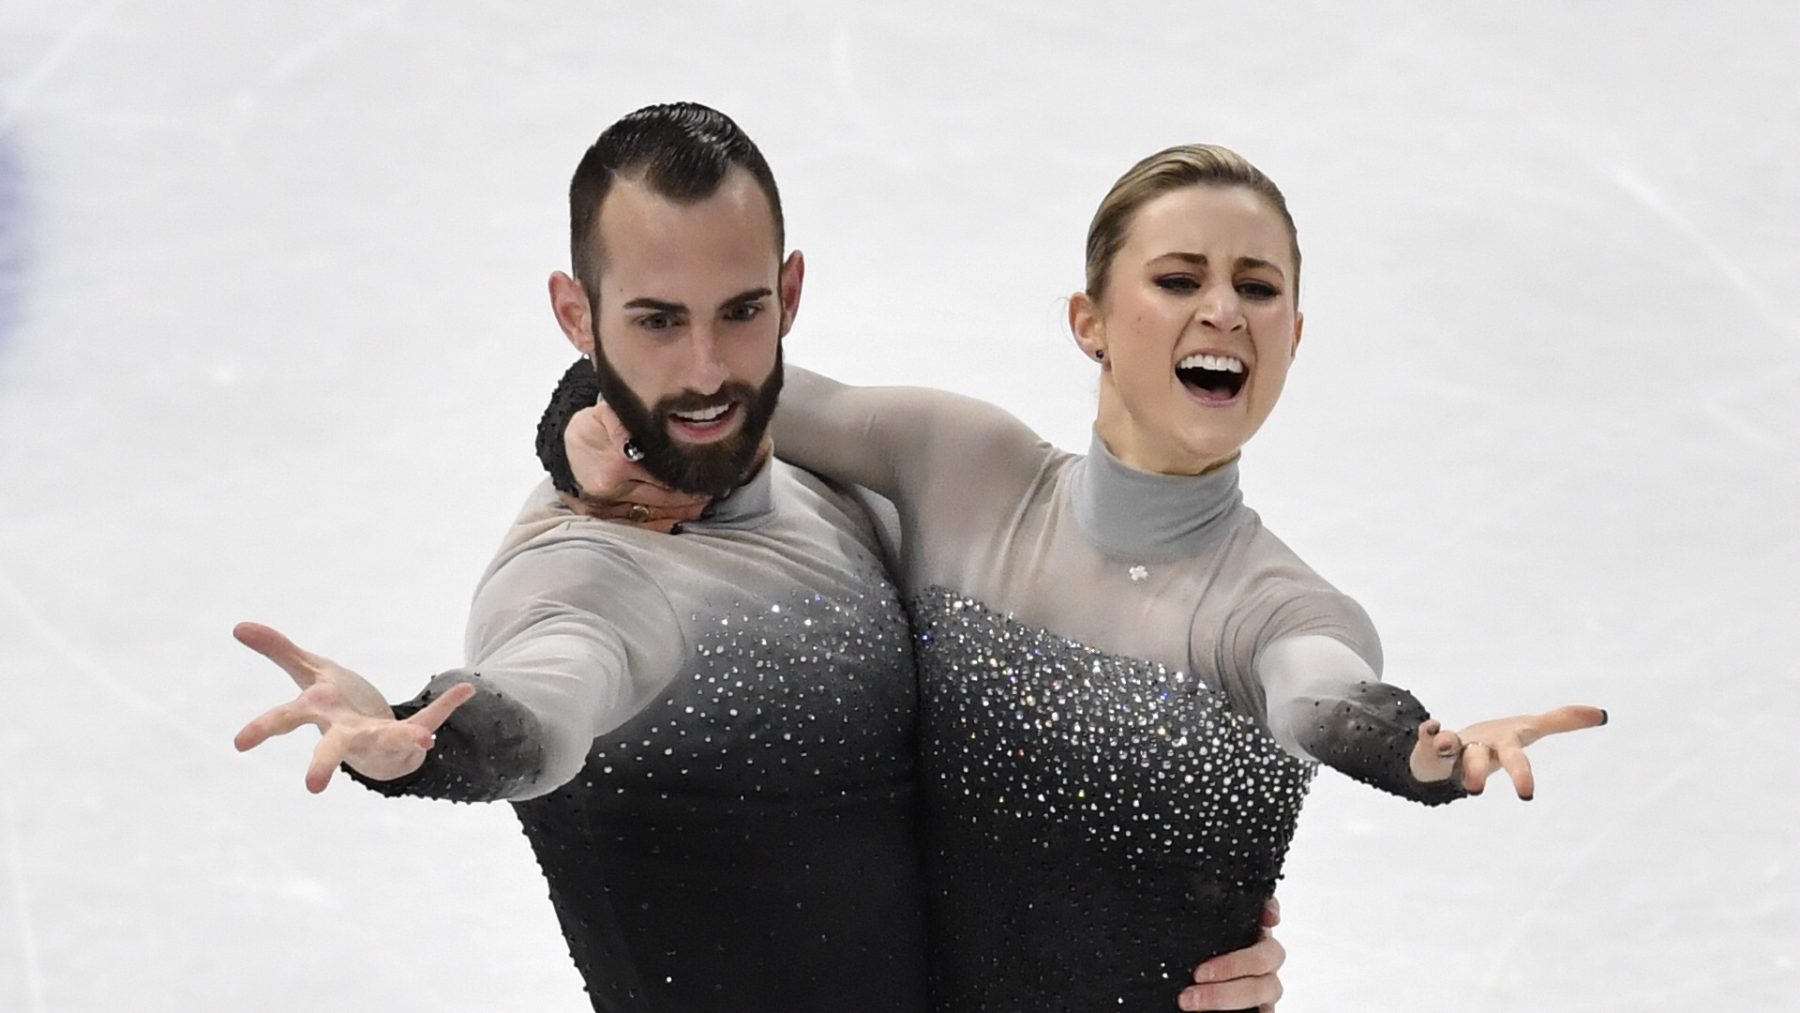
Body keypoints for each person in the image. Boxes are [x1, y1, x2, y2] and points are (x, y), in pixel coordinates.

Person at [233, 105, 1287, 1013]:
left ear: (789, 294)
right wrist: (421, 743)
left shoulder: (847, 496)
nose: (706, 370)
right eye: (656, 321)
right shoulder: (580, 572)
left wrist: (1165, 938)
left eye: (739, 313)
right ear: (575, 314)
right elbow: (544, 698)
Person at [541, 142, 1607, 1011]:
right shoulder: (961, 466)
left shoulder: (1280, 606)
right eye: (1180, 279)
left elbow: (1321, 692)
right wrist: (577, 431)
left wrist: (1421, 752)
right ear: (1088, 321)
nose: (1225, 310)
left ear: (1294, 334)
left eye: (1259, 287)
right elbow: (699, 393)